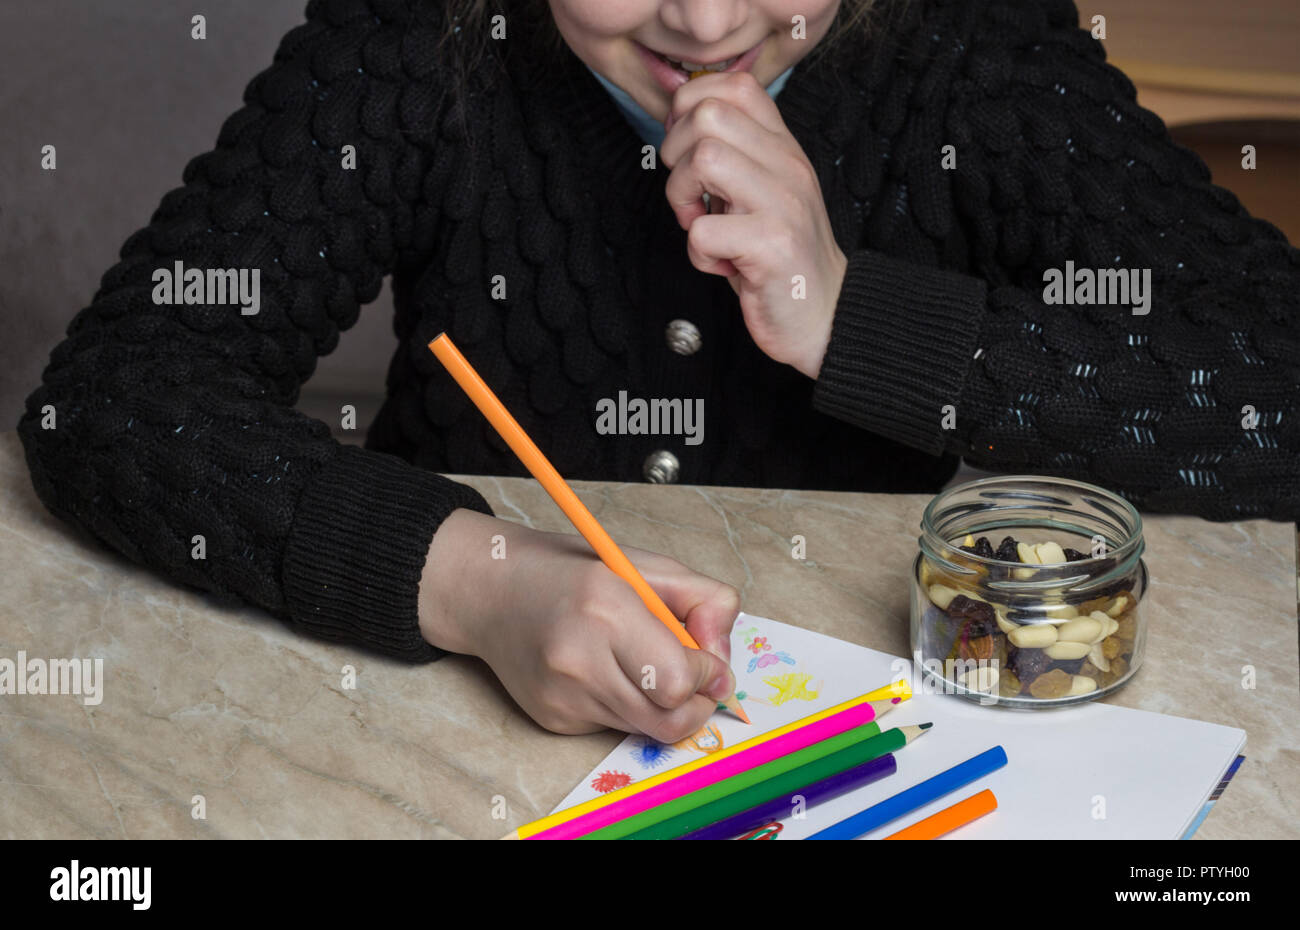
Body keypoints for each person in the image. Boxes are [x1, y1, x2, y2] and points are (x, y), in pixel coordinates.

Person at [18, 0, 1299, 743]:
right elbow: (113, 392)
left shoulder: (973, 45)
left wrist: (860, 317)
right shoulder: (423, 36)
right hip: (424, 726)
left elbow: (1271, 384)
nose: (704, 21)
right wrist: (470, 581)